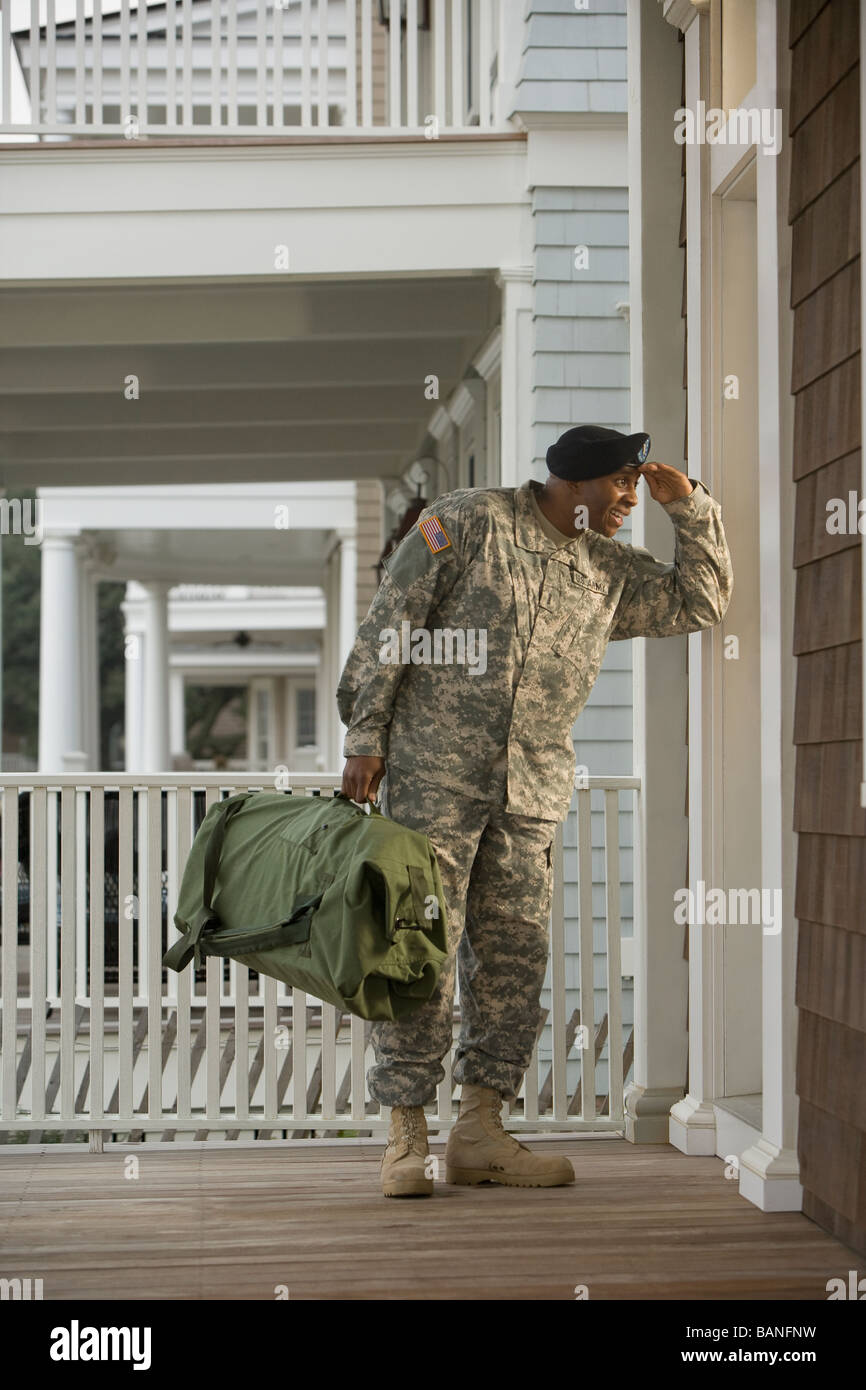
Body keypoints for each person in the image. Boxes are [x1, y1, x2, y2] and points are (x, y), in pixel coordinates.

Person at [337, 424, 733, 1197]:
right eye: (620, 484)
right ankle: (406, 1137)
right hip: (434, 779)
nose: (628, 500)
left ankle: (481, 1130)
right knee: (418, 947)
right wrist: (365, 733)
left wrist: (692, 508)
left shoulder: (607, 568)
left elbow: (699, 601)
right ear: (574, 482)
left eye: (632, 484)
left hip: (531, 792)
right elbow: (393, 622)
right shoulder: (471, 521)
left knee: (514, 958)